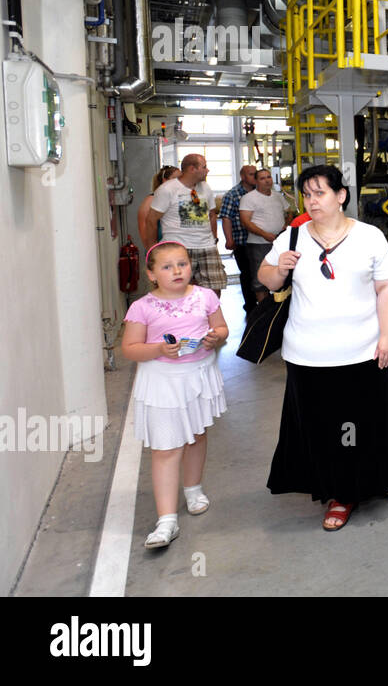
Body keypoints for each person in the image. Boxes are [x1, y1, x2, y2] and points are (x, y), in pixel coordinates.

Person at [260, 164, 388, 531]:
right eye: (307, 194)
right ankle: (341, 495)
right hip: (307, 354)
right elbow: (266, 276)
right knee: (326, 429)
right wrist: (280, 269)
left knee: (369, 423)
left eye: (320, 193)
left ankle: (381, 477)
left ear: (341, 196)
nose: (312, 201)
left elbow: (386, 288)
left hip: (362, 351)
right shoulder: (292, 237)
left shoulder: (370, 237)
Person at [120, 242, 229, 548]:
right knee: (166, 448)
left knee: (196, 435)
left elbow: (222, 328)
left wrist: (214, 338)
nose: (177, 271)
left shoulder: (204, 296)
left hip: (198, 376)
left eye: (182, 264)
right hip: (162, 382)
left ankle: (193, 489)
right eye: (167, 267)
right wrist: (158, 349)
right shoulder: (141, 307)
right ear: (151, 274)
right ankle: (166, 520)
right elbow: (130, 348)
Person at [146, 153, 228, 293]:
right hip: (179, 246)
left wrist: (214, 239)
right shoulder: (167, 190)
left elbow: (212, 214)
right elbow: (151, 220)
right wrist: (153, 249)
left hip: (206, 246)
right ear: (192, 169)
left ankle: (208, 315)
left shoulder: (205, 188)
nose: (207, 170)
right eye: (204, 167)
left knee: (215, 289)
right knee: (180, 290)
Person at [238, 169, 293, 305]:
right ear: (256, 181)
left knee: (281, 275)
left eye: (269, 177)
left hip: (278, 243)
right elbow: (245, 221)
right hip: (258, 244)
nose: (267, 180)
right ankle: (262, 311)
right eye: (262, 178)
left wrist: (286, 226)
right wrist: (265, 234)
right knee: (259, 280)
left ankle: (278, 310)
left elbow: (289, 212)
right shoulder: (249, 198)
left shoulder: (278, 196)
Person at [220, 164, 258, 314]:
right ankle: (250, 305)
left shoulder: (261, 192)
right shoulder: (233, 195)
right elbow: (226, 218)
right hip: (243, 241)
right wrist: (229, 239)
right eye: (251, 174)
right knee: (247, 273)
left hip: (262, 240)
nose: (254, 177)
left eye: (256, 174)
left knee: (261, 272)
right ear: (243, 177)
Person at [137, 165, 179, 247]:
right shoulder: (150, 200)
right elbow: (144, 232)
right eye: (175, 179)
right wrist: (152, 251)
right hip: (160, 249)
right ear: (165, 180)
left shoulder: (178, 199)